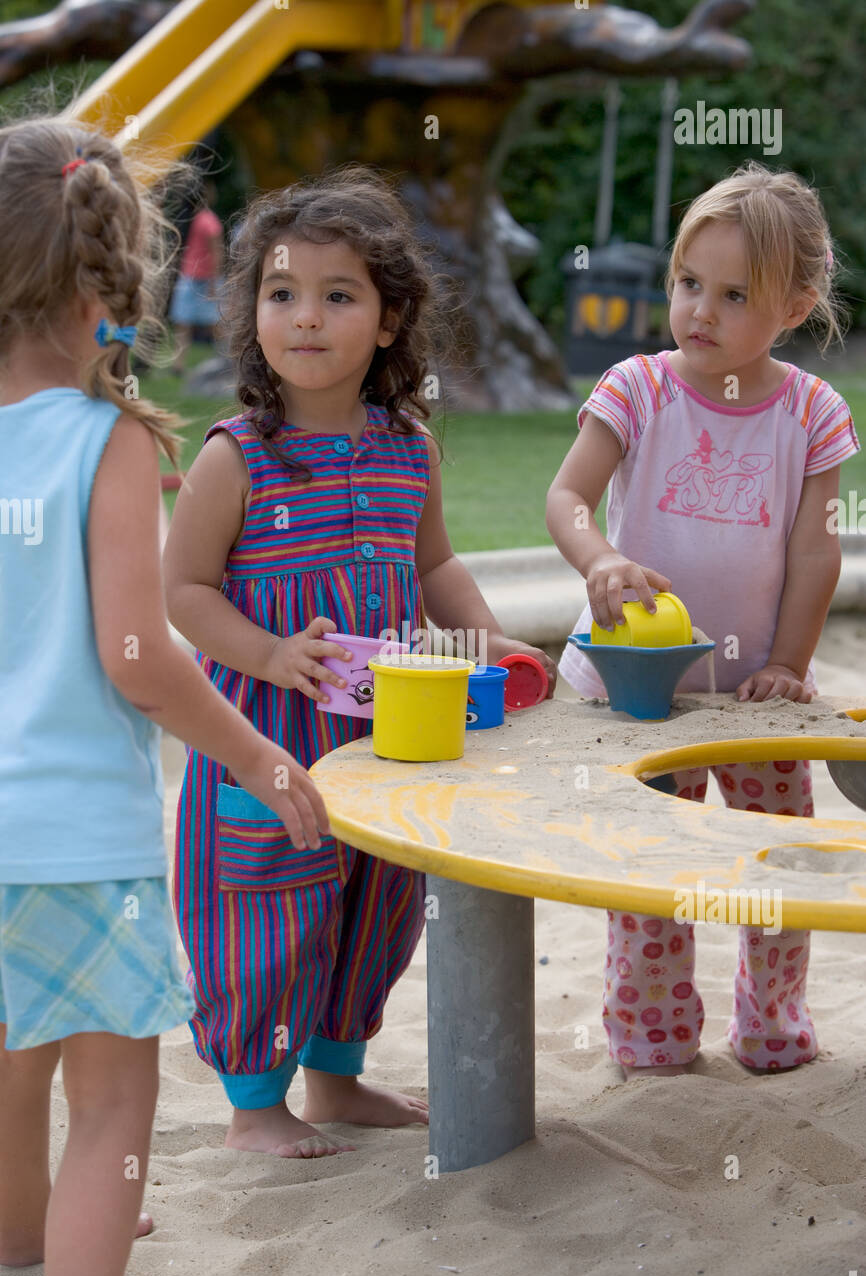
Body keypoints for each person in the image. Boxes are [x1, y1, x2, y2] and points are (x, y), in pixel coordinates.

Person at [163, 165, 558, 1157]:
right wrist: (266, 651)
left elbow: (434, 563)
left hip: (386, 734)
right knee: (266, 920)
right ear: (251, 310)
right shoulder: (235, 456)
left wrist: (482, 634)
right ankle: (257, 1103)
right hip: (266, 741)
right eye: (281, 292)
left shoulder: (406, 449)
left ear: (387, 322)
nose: (305, 317)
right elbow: (182, 593)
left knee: (374, 906)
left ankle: (336, 1080)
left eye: (338, 296)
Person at [0, 119, 329, 1276]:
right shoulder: (106, 444)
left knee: (11, 1071)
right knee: (111, 1112)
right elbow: (138, 654)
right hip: (81, 840)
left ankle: (20, 1254)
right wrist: (254, 755)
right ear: (111, 282)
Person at [547, 162, 858, 1078]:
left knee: (774, 866)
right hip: (642, 694)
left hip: (755, 693)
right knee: (652, 872)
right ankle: (651, 1035)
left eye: (733, 294)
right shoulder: (639, 388)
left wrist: (791, 664)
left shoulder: (811, 412)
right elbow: (567, 497)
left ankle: (774, 1025)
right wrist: (598, 558)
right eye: (689, 284)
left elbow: (814, 552)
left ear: (796, 305)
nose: (700, 311)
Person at [168, 177, 224, 374]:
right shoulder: (208, 220)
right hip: (200, 278)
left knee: (186, 324)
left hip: (191, 277)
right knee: (214, 322)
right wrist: (214, 281)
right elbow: (217, 251)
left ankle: (180, 364)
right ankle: (223, 359)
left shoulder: (191, 219)